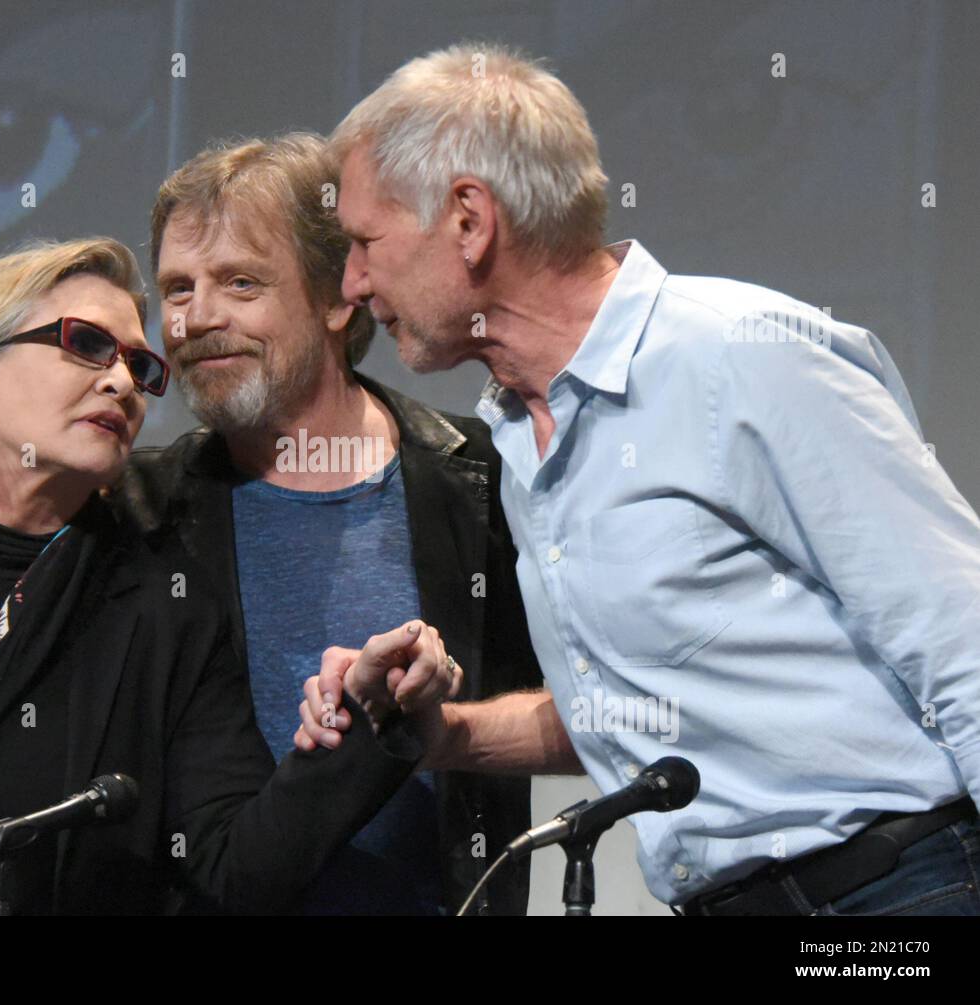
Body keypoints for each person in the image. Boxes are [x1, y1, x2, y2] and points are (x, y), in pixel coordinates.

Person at [0, 135, 581, 916]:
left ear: (337, 297)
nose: (195, 318)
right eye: (178, 288)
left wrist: (427, 729)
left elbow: (610, 717)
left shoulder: (481, 482)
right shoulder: (134, 514)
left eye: (241, 282)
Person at [306, 41, 980, 916]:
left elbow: (960, 639)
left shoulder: (743, 357)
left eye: (364, 241)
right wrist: (445, 733)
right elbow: (630, 709)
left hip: (897, 899)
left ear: (469, 218)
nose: (353, 283)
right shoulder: (519, 432)